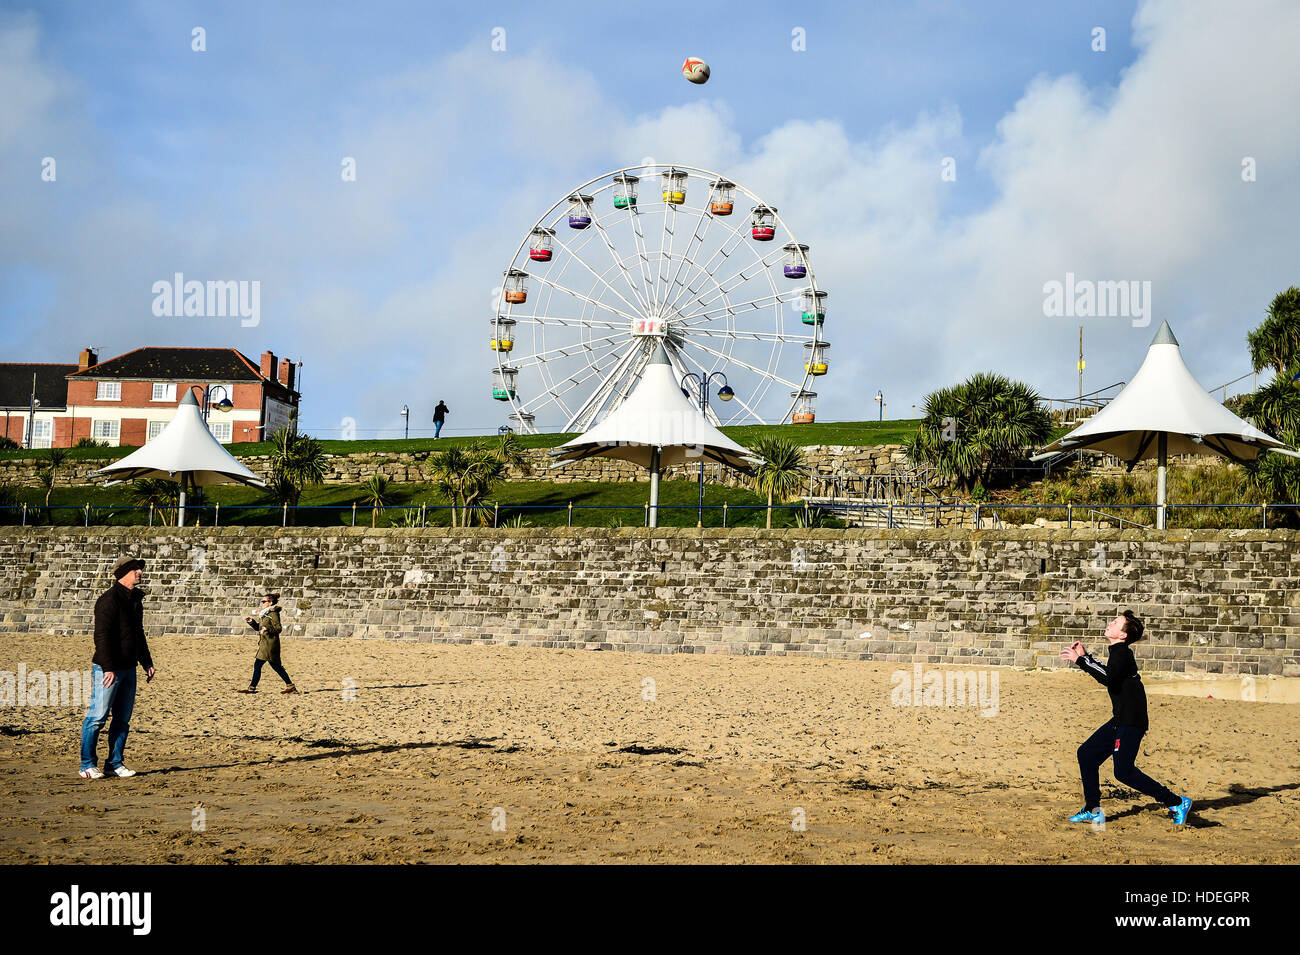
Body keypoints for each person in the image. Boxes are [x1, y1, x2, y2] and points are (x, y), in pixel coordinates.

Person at [1060, 611, 1192, 826]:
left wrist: (1081, 661)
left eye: (1115, 622)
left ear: (1122, 635)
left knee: (1123, 771)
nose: (1110, 623)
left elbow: (1108, 679)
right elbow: (1110, 673)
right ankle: (1093, 810)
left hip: (1131, 721)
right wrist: (1086, 657)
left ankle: (1176, 801)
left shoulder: (1121, 653)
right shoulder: (1118, 652)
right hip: (1120, 719)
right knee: (1086, 754)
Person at [80, 555, 156, 779]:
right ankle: (87, 765)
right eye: (136, 570)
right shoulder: (108, 600)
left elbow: (138, 633)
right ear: (124, 573)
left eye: (140, 570)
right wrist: (108, 667)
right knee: (97, 717)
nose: (140, 573)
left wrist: (147, 661)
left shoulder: (135, 599)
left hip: (129, 667)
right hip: (108, 668)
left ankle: (114, 763)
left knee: (122, 719)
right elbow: (101, 636)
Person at [237, 591, 297, 694]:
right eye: (262, 601)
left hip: (270, 644)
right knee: (276, 666)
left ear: (270, 602)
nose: (262, 603)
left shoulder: (273, 614)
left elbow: (278, 629)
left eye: (264, 601)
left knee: (258, 665)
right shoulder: (265, 614)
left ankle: (252, 688)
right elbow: (259, 628)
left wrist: (267, 629)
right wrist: (251, 622)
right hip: (265, 643)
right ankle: (290, 686)